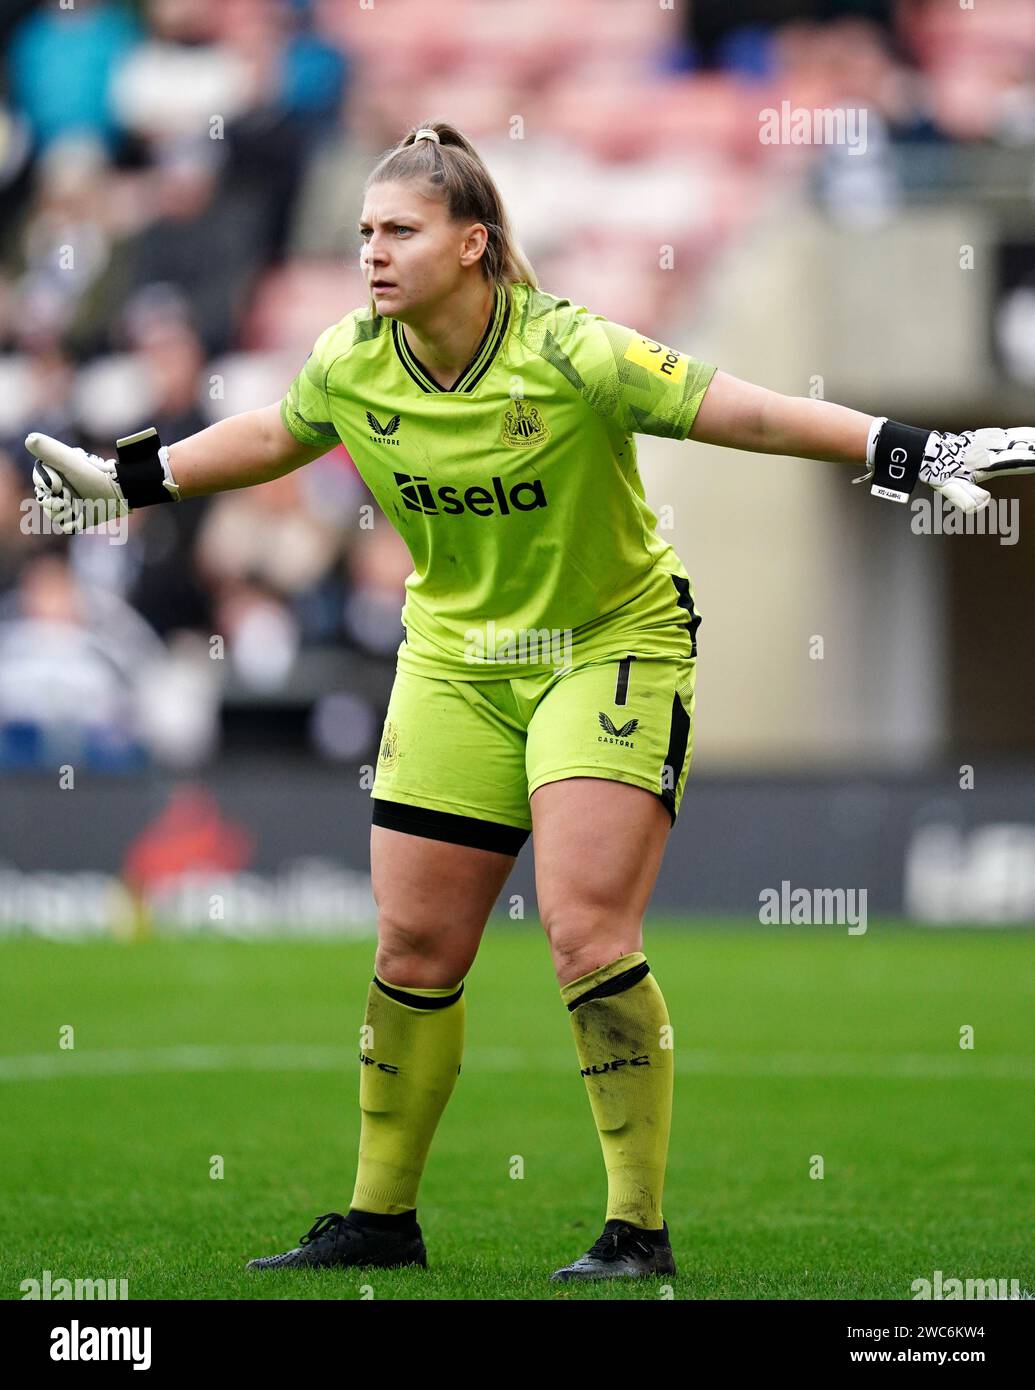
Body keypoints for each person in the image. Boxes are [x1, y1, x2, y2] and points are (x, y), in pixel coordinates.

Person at [25, 121, 1035, 1284]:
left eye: (400, 231)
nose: (372, 251)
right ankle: (380, 1218)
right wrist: (129, 481)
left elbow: (748, 410)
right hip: (455, 663)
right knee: (412, 945)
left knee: (586, 934)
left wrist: (912, 452)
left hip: (609, 647)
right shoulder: (352, 359)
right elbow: (273, 434)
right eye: (365, 231)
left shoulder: (573, 350)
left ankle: (635, 1229)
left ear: (472, 244)